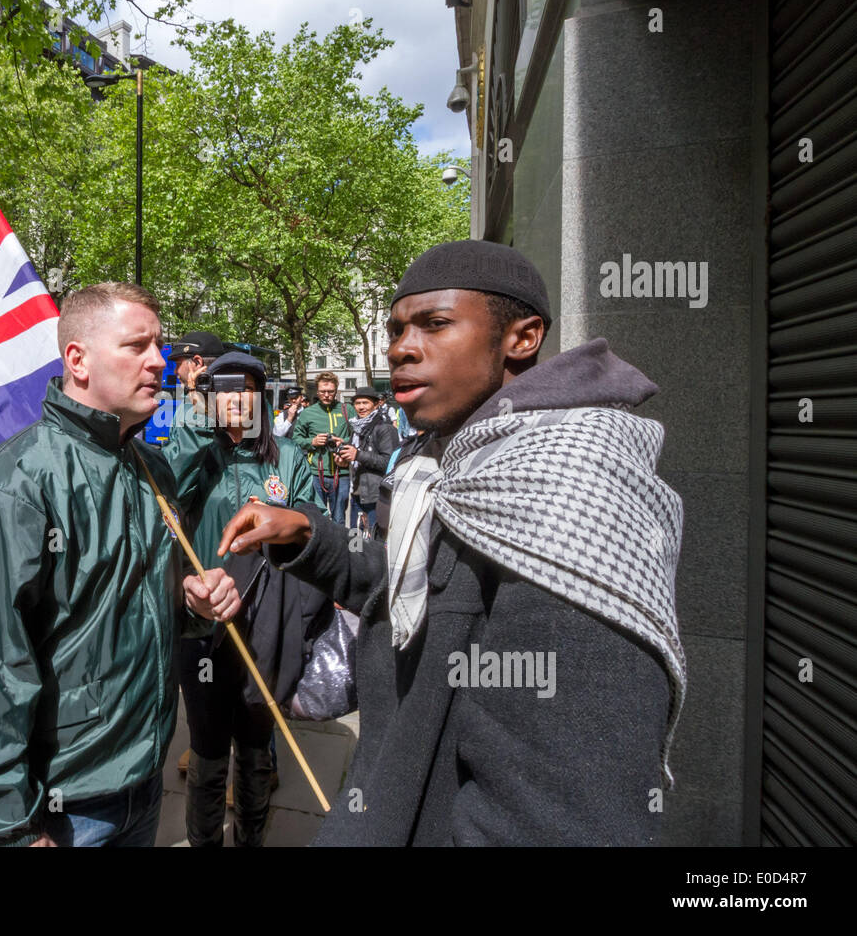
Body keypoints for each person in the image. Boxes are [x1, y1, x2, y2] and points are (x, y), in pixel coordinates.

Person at [217, 239, 686, 845]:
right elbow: (417, 589)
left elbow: (559, 817)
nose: (400, 348)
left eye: (435, 324)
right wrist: (313, 535)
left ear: (522, 337)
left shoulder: (574, 501)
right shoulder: (449, 458)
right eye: (396, 330)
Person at [0, 282, 241, 847]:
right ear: (78, 360)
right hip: (61, 809)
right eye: (137, 346)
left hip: (142, 785)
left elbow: (150, 608)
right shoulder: (13, 486)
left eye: (159, 345)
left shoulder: (153, 470)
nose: (159, 362)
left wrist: (196, 603)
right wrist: (12, 829)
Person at [163, 352, 319, 846]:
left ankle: (251, 837)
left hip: (267, 631)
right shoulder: (195, 451)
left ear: (261, 398)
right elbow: (166, 495)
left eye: (247, 387)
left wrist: (289, 526)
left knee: (255, 748)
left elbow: (316, 529)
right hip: (204, 629)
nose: (236, 397)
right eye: (224, 387)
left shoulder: (287, 457)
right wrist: (196, 421)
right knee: (207, 749)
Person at [292, 372, 350, 523]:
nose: (326, 395)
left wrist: (343, 441)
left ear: (336, 391)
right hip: (316, 473)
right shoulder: (308, 413)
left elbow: (358, 437)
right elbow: (295, 439)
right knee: (317, 518)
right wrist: (313, 441)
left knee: (339, 519)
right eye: (323, 391)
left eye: (330, 391)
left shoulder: (347, 410)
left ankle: (338, 539)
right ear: (317, 392)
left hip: (341, 472)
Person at [339, 387, 399, 534]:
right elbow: (355, 459)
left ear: (376, 404)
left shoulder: (385, 428)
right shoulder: (356, 428)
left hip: (376, 496)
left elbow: (390, 463)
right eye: (357, 403)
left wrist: (358, 455)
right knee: (355, 541)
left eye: (365, 403)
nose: (361, 407)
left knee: (374, 541)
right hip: (357, 494)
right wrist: (343, 460)